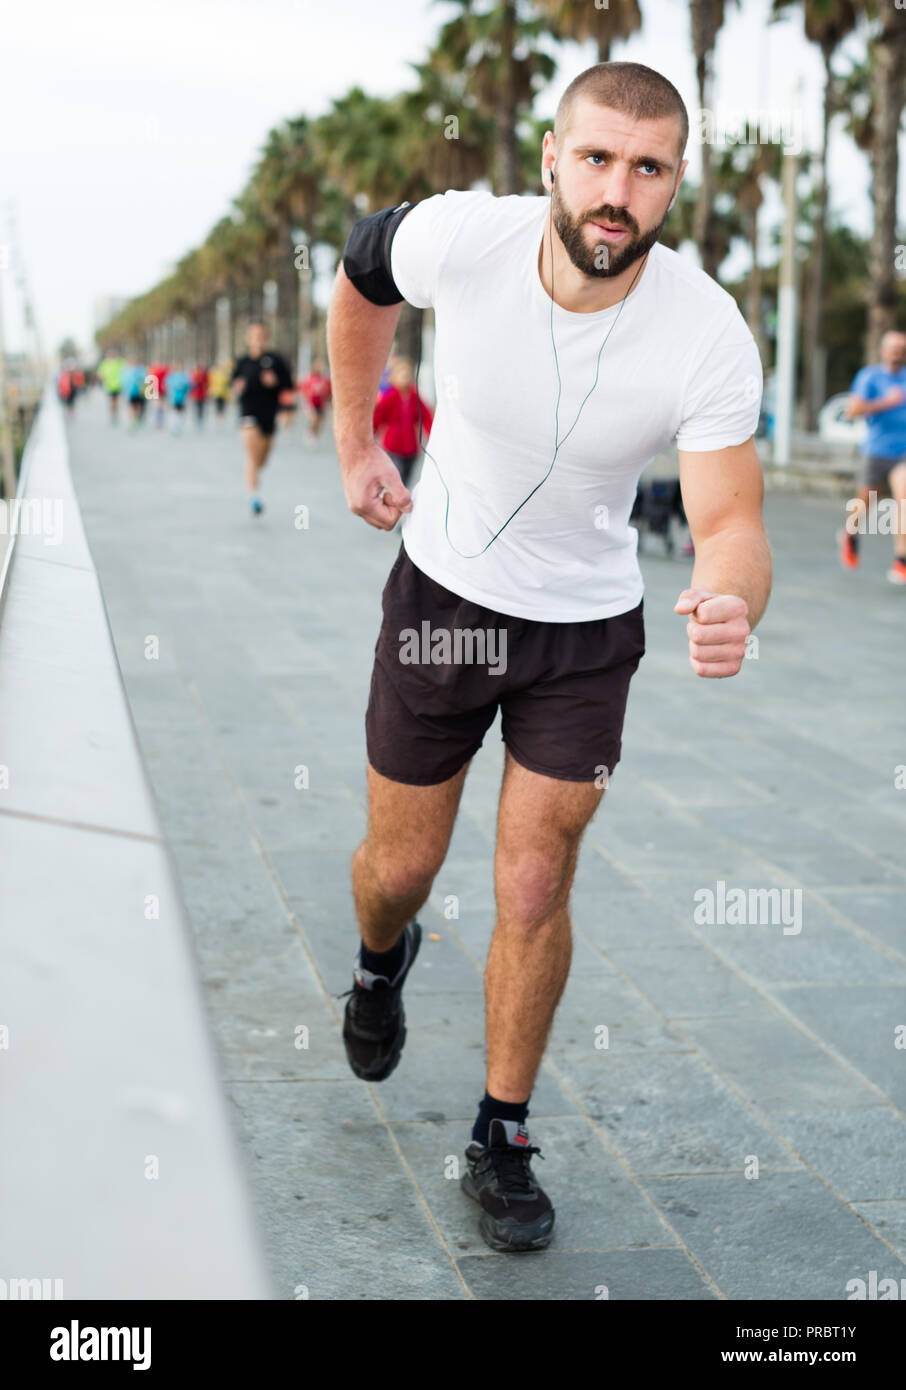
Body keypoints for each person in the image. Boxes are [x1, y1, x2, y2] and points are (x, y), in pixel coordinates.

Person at [327, 60, 771, 1254]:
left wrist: (728, 598)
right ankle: (379, 962)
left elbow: (730, 525)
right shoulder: (465, 240)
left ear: (677, 183)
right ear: (549, 158)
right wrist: (354, 433)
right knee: (398, 869)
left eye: (648, 167)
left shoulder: (707, 327)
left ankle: (504, 1131)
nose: (616, 190)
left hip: (584, 634)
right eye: (596, 158)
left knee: (534, 881)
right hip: (443, 600)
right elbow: (360, 279)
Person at [840, 329, 906, 584]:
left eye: (902, 348)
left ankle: (901, 561)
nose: (897, 353)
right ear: (883, 350)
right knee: (864, 502)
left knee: (903, 499)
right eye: (893, 348)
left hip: (903, 453)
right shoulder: (870, 377)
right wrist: (885, 402)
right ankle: (850, 533)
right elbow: (852, 410)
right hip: (876, 451)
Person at [230, 322, 293, 515]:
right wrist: (237, 387)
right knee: (251, 453)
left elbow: (288, 388)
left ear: (266, 338)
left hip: (269, 416)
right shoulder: (242, 362)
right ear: (248, 338)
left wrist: (287, 410)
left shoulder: (276, 360)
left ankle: (254, 479)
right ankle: (253, 496)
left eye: (261, 335)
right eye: (253, 335)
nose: (257, 339)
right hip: (248, 414)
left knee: (261, 460)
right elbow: (232, 385)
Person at [371, 355, 432, 488]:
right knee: (397, 475)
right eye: (401, 374)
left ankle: (401, 496)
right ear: (394, 378)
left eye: (407, 374)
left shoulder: (415, 397)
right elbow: (378, 417)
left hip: (411, 447)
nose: (405, 377)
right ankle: (397, 498)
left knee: (408, 475)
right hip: (393, 445)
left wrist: (431, 434)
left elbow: (426, 417)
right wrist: (370, 437)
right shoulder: (389, 397)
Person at [299, 358, 332, 438]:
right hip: (311, 403)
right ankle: (311, 432)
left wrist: (328, 401)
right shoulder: (309, 378)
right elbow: (303, 389)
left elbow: (329, 391)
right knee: (315, 418)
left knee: (320, 420)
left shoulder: (324, 379)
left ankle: (315, 433)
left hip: (321, 404)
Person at [97, 349, 125, 423]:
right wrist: (102, 378)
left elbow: (125, 371)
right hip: (109, 385)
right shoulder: (105, 363)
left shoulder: (120, 362)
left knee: (116, 400)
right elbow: (100, 373)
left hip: (118, 385)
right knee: (112, 401)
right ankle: (113, 413)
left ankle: (115, 413)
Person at [121, 353, 147, 430]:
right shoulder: (126, 370)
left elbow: (146, 380)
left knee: (138, 406)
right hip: (131, 392)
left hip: (140, 392)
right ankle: (133, 421)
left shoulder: (142, 369)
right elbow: (124, 381)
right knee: (132, 407)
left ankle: (137, 419)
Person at [167, 360, 191, 434]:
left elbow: (189, 385)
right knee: (174, 412)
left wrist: (184, 388)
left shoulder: (185, 376)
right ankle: (174, 426)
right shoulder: (172, 376)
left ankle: (178, 426)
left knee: (180, 412)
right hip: (174, 397)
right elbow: (168, 385)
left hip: (182, 398)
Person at [147, 361, 169, 428]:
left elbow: (167, 381)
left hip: (162, 391)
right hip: (157, 391)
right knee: (158, 406)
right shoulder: (153, 370)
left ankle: (160, 420)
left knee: (160, 406)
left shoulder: (165, 371)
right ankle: (158, 420)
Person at [189, 363, 209, 428]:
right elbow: (192, 385)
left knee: (201, 408)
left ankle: (201, 420)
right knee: (196, 408)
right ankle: (196, 420)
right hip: (196, 395)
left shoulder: (204, 375)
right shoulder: (194, 375)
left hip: (202, 395)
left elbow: (206, 384)